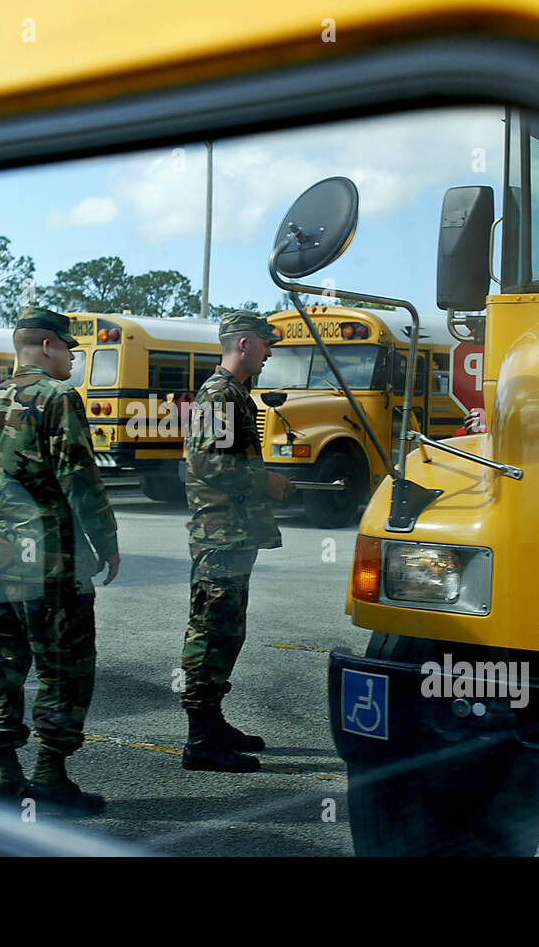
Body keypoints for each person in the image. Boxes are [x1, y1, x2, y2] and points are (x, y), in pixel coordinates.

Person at [0, 305, 120, 814]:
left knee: (1, 666)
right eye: (69, 352)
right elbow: (79, 477)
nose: (71, 363)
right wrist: (107, 541)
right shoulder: (59, 398)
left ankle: (9, 777)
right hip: (52, 570)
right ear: (46, 346)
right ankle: (50, 779)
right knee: (65, 670)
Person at [181, 309, 296, 772]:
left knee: (227, 628)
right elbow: (208, 465)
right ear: (244, 344)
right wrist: (265, 481)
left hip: (232, 532)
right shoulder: (221, 394)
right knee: (211, 629)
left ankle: (212, 722)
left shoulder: (234, 394)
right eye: (266, 344)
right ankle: (201, 740)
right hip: (219, 534)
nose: (269, 352)